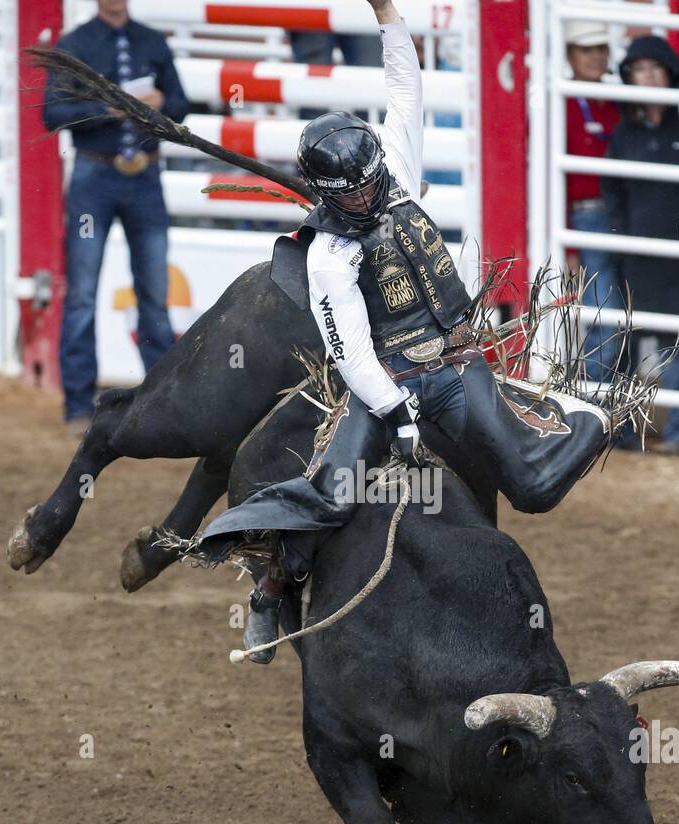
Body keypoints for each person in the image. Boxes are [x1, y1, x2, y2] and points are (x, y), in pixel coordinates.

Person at [196, 0, 611, 663]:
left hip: (454, 364)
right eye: (355, 191)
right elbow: (352, 353)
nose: (368, 195)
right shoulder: (331, 257)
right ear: (330, 193)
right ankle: (272, 585)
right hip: (386, 382)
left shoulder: (395, 169)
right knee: (331, 492)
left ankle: (580, 419)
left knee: (531, 487)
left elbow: (403, 85)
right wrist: (399, 415)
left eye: (370, 182)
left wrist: (388, 14)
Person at [43, 0, 191, 434]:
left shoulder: (151, 41)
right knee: (83, 293)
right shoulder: (74, 43)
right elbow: (52, 114)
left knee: (154, 291)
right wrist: (110, 107)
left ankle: (163, 403)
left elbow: (181, 104)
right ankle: (77, 404)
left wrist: (162, 101)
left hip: (143, 176)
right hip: (95, 174)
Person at [602, 36, 679, 458]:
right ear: (630, 78)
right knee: (671, 347)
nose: (649, 76)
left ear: (670, 73)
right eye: (639, 69)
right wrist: (625, 239)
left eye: (655, 68)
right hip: (649, 259)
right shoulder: (625, 134)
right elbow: (614, 192)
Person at [561, 20, 623, 382]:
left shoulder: (617, 101)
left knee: (616, 313)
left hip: (621, 214)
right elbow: (556, 179)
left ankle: (608, 407)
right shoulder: (564, 102)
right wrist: (567, 238)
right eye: (587, 50)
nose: (596, 57)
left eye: (601, 49)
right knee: (606, 315)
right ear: (571, 56)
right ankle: (596, 404)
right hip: (586, 217)